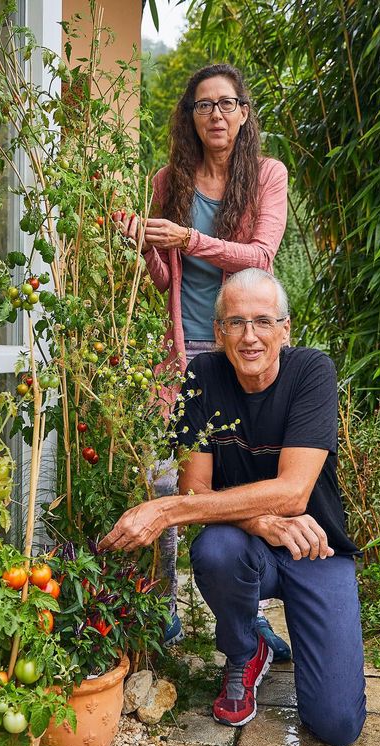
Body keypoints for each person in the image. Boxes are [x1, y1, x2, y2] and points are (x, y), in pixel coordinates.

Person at [99, 270, 367, 746]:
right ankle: (246, 649)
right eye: (235, 322)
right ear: (218, 330)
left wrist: (165, 511)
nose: (249, 336)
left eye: (263, 321)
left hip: (316, 545)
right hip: (247, 547)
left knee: (337, 725)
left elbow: (294, 494)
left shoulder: (312, 372)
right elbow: (196, 487)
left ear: (286, 329)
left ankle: (301, 648)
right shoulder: (203, 376)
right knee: (216, 550)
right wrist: (258, 521)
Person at [113, 63, 290, 655]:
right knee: (167, 474)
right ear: (189, 117)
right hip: (182, 352)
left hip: (245, 347)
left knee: (248, 477)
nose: (216, 113)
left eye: (227, 103)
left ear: (243, 114)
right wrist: (145, 244)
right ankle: (164, 604)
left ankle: (249, 611)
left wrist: (186, 238)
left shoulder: (267, 175)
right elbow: (169, 277)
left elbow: (260, 257)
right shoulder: (171, 180)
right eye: (203, 105)